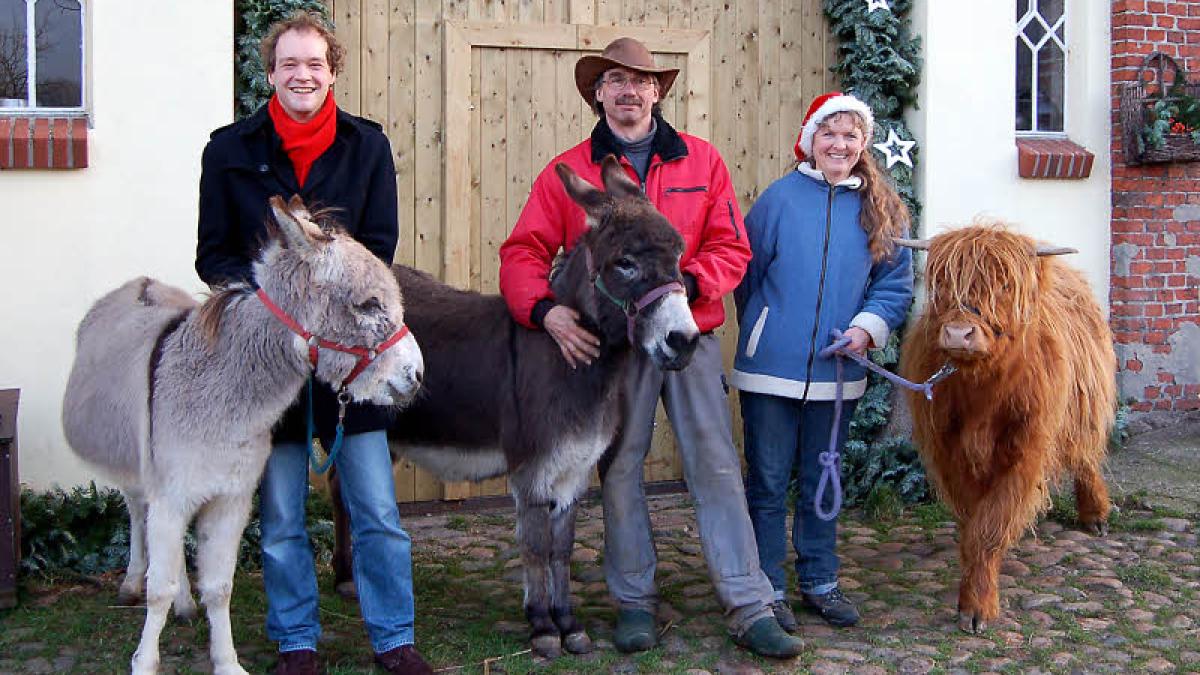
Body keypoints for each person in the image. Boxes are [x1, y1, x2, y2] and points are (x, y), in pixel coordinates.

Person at [498, 37, 803, 658]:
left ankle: (749, 601)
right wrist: (547, 311)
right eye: (616, 80)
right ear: (599, 93)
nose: (629, 90)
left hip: (688, 333)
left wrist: (682, 290)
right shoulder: (571, 173)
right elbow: (522, 252)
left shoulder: (702, 162)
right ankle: (633, 600)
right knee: (620, 468)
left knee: (716, 466)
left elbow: (731, 248)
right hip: (616, 352)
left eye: (641, 80)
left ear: (658, 91)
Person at [194, 11, 432, 675]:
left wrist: (327, 312)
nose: (303, 74)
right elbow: (214, 256)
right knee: (280, 513)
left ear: (333, 72)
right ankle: (297, 641)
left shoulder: (367, 147)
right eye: (289, 64)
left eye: (315, 64)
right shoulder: (227, 150)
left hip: (351, 357)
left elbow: (378, 249)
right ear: (270, 72)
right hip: (266, 363)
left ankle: (395, 637)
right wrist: (280, 313)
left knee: (378, 508)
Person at [731, 92, 914, 632]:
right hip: (770, 372)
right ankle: (767, 586)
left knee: (822, 479)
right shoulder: (778, 200)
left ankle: (820, 579)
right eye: (829, 134)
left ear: (863, 145)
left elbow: (893, 286)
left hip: (839, 374)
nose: (839, 144)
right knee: (766, 481)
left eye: (850, 135)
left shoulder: (880, 210)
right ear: (811, 141)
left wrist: (865, 330)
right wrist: (768, 329)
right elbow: (746, 274)